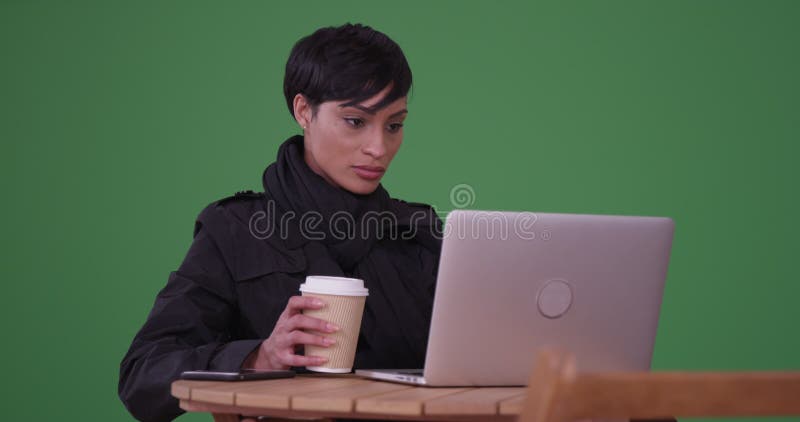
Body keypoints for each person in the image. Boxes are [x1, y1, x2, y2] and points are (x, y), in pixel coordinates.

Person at [118, 23, 443, 422]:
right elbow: (142, 376)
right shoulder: (235, 230)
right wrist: (259, 356)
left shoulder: (420, 232)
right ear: (303, 110)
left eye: (394, 125)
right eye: (356, 121)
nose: (379, 147)